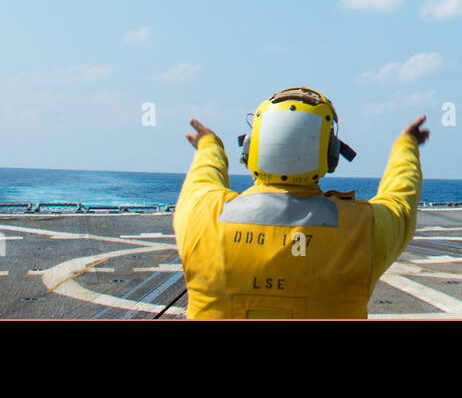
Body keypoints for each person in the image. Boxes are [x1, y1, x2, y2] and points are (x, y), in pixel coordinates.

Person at [173, 86, 428, 319]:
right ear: (331, 154)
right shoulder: (363, 229)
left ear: (250, 149)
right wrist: (407, 145)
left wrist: (209, 146)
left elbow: (203, 176)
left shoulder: (202, 213)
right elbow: (401, 197)